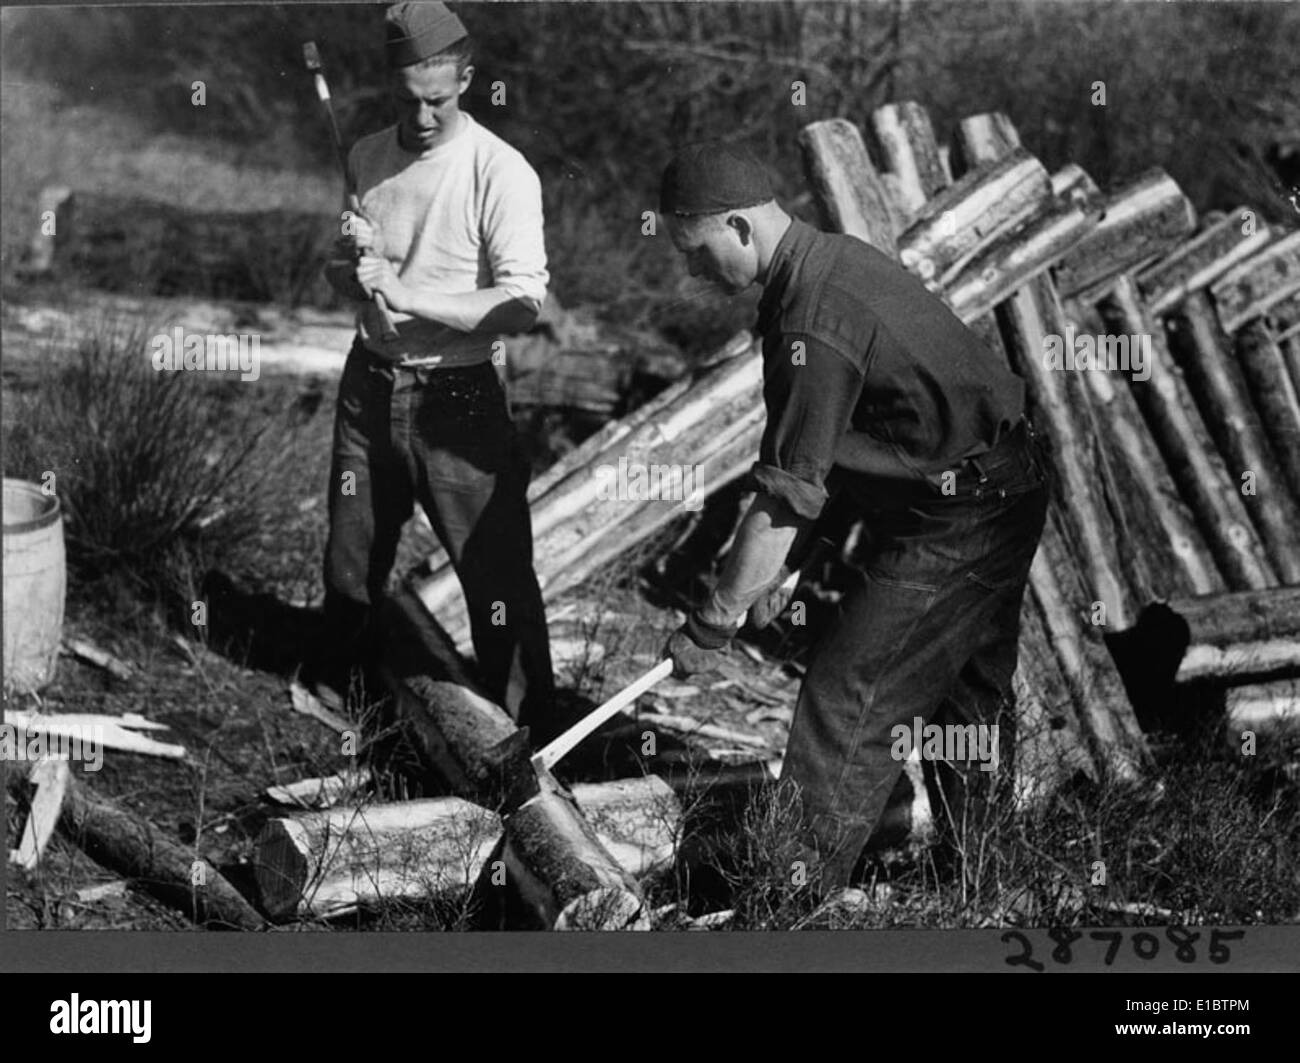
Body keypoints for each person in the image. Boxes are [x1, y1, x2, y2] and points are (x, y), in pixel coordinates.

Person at [659, 142, 1051, 890]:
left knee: (849, 693)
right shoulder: (828, 263)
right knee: (961, 690)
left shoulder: (811, 319)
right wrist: (800, 556)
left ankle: (788, 895)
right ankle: (985, 877)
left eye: (697, 250)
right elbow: (849, 443)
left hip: (963, 511)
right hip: (1000, 483)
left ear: (739, 226)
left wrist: (713, 619)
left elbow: (783, 493)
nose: (693, 272)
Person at [307, 1, 555, 740]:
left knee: (496, 575)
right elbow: (347, 277)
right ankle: (337, 691)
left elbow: (521, 303)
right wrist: (352, 268)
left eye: (438, 101)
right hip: (369, 383)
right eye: (407, 100)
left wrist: (409, 293)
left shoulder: (500, 173)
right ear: (390, 85)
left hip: (459, 396)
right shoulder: (366, 157)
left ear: (468, 80)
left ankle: (531, 737)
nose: (420, 117)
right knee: (351, 554)